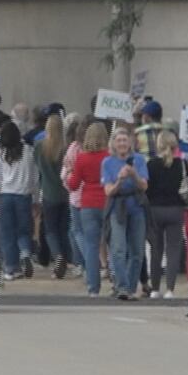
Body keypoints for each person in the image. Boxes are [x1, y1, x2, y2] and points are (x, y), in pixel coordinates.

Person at [101, 125, 150, 301]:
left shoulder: (139, 160)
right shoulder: (107, 163)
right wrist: (120, 180)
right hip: (117, 207)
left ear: (130, 143)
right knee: (118, 249)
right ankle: (121, 286)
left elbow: (144, 186)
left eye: (125, 140)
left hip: (136, 206)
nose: (122, 143)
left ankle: (130, 287)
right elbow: (108, 191)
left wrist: (134, 174)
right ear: (113, 143)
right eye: (119, 140)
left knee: (137, 250)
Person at [0, 120, 39, 280]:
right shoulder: (28, 152)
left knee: (7, 233)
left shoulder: (0, 153)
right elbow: (35, 178)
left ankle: (11, 268)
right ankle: (25, 253)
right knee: (24, 230)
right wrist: (36, 199)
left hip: (5, 196)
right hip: (24, 196)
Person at [67, 121, 111, 295]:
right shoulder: (109, 157)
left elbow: (73, 184)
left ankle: (93, 287)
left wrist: (70, 173)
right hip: (107, 202)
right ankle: (117, 280)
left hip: (88, 204)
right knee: (112, 243)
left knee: (92, 246)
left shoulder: (82, 158)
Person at [144, 130, 188, 298]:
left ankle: (155, 288)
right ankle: (170, 289)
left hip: (156, 209)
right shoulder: (182, 164)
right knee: (173, 250)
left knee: (156, 250)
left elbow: (146, 189)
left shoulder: (151, 165)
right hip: (176, 209)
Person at [37, 113, 77, 280]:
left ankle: (57, 255)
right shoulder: (66, 148)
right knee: (64, 228)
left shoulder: (39, 147)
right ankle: (68, 258)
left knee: (50, 229)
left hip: (48, 192)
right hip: (65, 193)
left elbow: (38, 169)